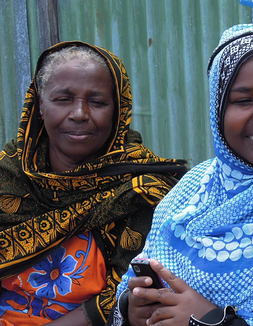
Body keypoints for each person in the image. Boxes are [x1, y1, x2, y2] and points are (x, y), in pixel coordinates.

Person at [113, 24, 253, 326]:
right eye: (243, 101)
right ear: (217, 111)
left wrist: (213, 320)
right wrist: (135, 308)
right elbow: (144, 285)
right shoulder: (193, 189)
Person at [0, 41, 187, 325]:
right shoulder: (8, 173)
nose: (79, 113)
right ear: (39, 106)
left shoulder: (145, 189)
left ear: (118, 111)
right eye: (63, 99)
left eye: (97, 102)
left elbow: (132, 297)